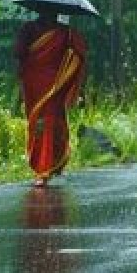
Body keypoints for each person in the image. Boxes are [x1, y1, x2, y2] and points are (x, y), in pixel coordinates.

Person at [15, 10, 88, 187]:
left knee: (47, 122)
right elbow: (81, 55)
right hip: (44, 85)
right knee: (45, 122)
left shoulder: (35, 29)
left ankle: (44, 168)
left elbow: (18, 53)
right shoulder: (64, 32)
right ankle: (51, 163)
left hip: (50, 85)